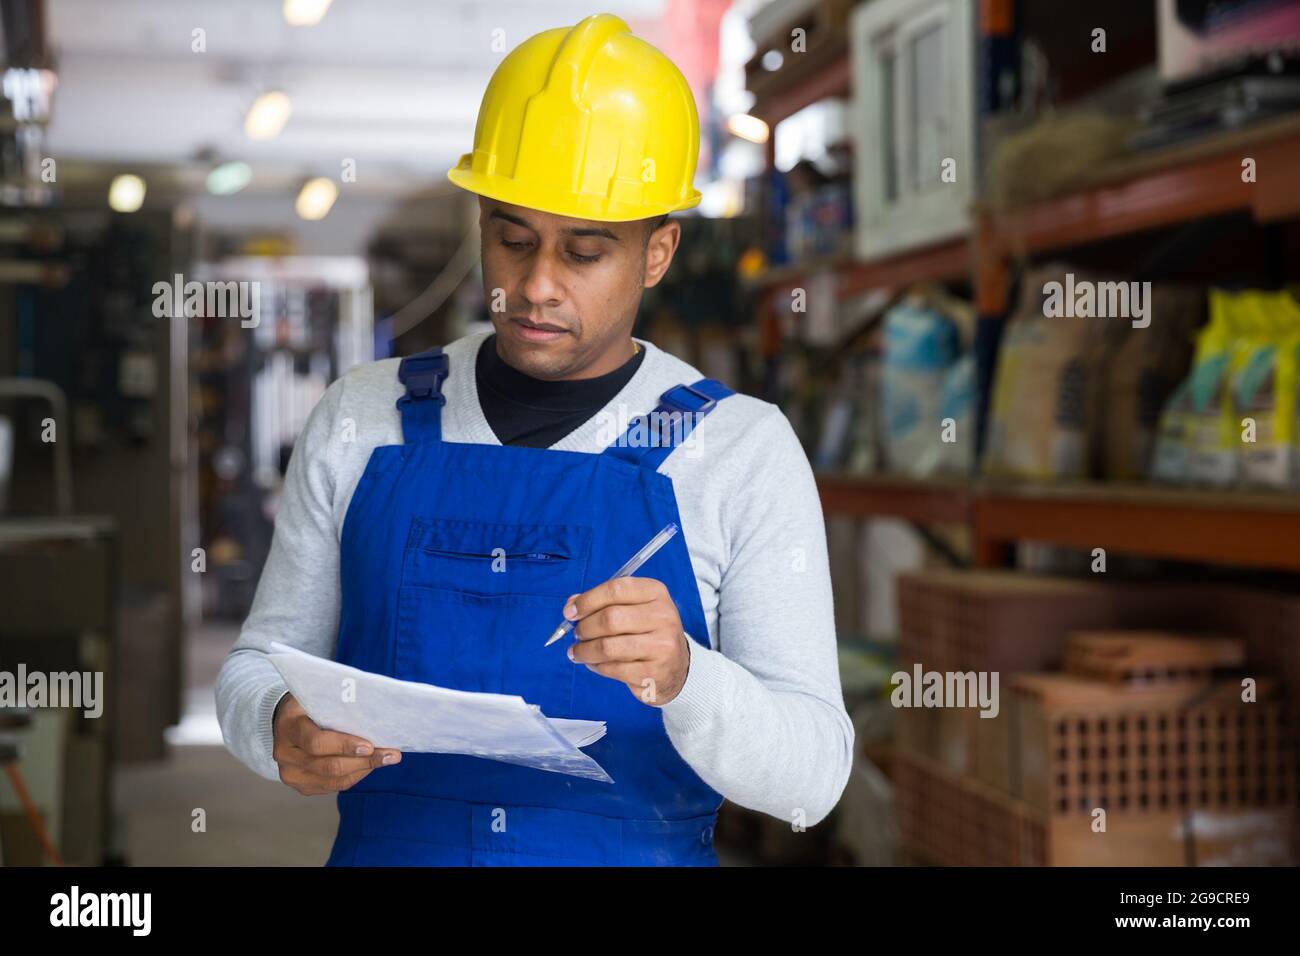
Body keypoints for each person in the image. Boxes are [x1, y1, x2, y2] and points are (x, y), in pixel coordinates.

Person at [216, 12, 852, 866]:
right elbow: (258, 662)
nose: (535, 285)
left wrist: (688, 677)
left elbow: (813, 775)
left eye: (584, 252)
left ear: (657, 253)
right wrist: (274, 726)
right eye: (511, 239)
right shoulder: (360, 418)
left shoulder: (739, 451)